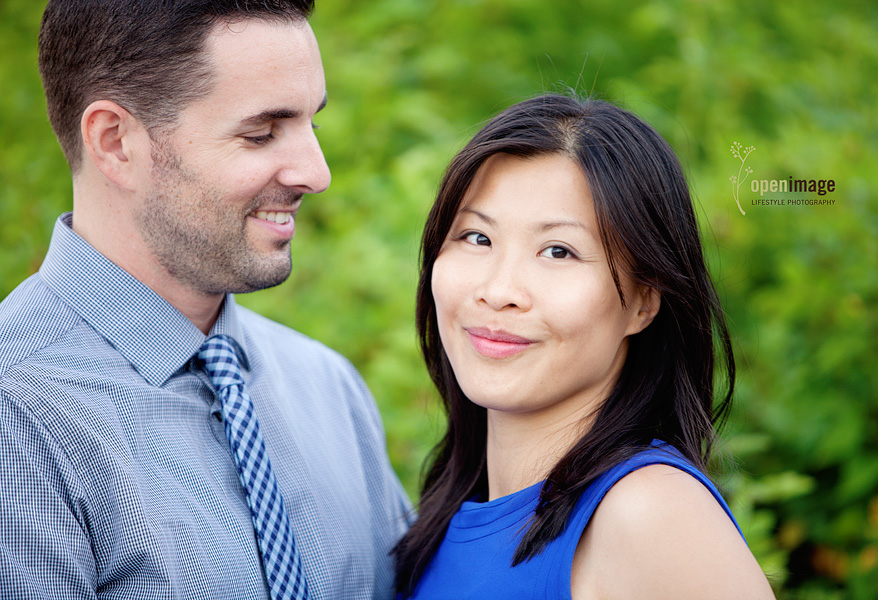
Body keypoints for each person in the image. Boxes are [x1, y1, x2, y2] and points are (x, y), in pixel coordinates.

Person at [0, 0, 411, 598]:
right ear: (114, 141)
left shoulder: (328, 387)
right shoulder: (15, 413)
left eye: (310, 126)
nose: (316, 174)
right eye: (261, 133)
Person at [393, 94, 776, 598]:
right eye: (477, 238)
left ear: (643, 301)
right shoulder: (443, 520)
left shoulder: (648, 512)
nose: (498, 290)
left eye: (558, 250)